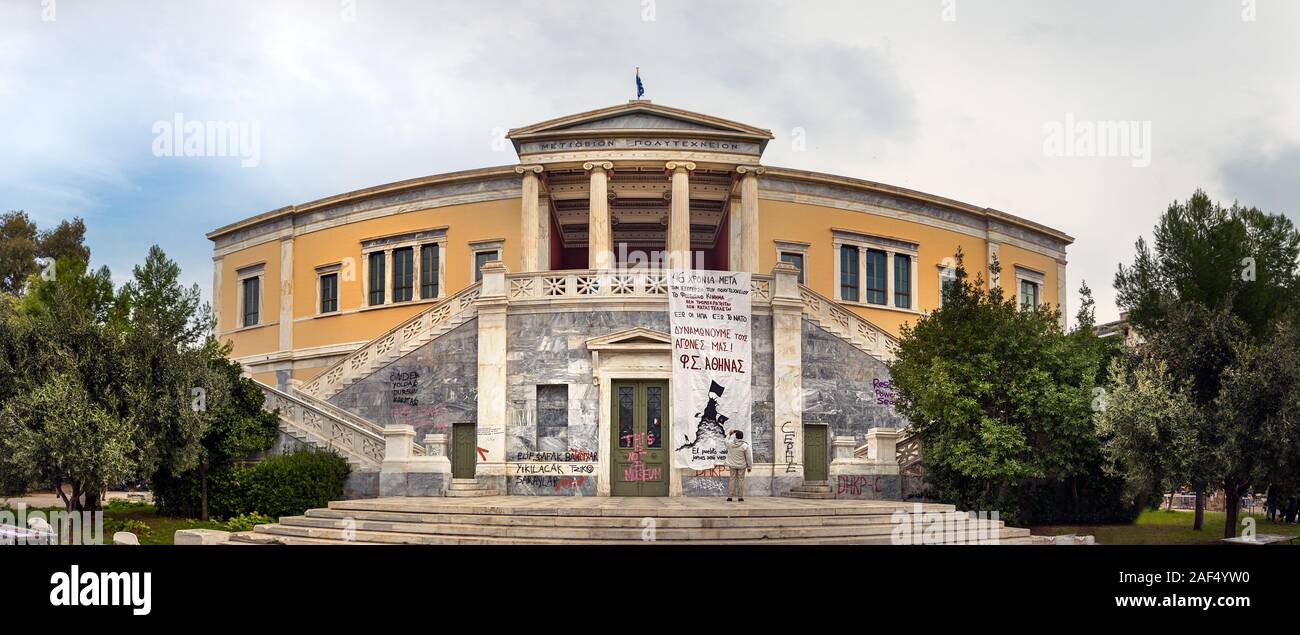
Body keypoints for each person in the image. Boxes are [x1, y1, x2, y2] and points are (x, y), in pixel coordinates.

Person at [725, 429, 753, 502]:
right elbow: (748, 457)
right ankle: (740, 497)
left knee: (732, 479)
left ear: (735, 436)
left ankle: (729, 497)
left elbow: (725, 440)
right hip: (742, 466)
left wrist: (730, 434)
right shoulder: (745, 445)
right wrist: (749, 467)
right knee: (741, 480)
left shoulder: (730, 444)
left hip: (732, 465)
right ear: (742, 437)